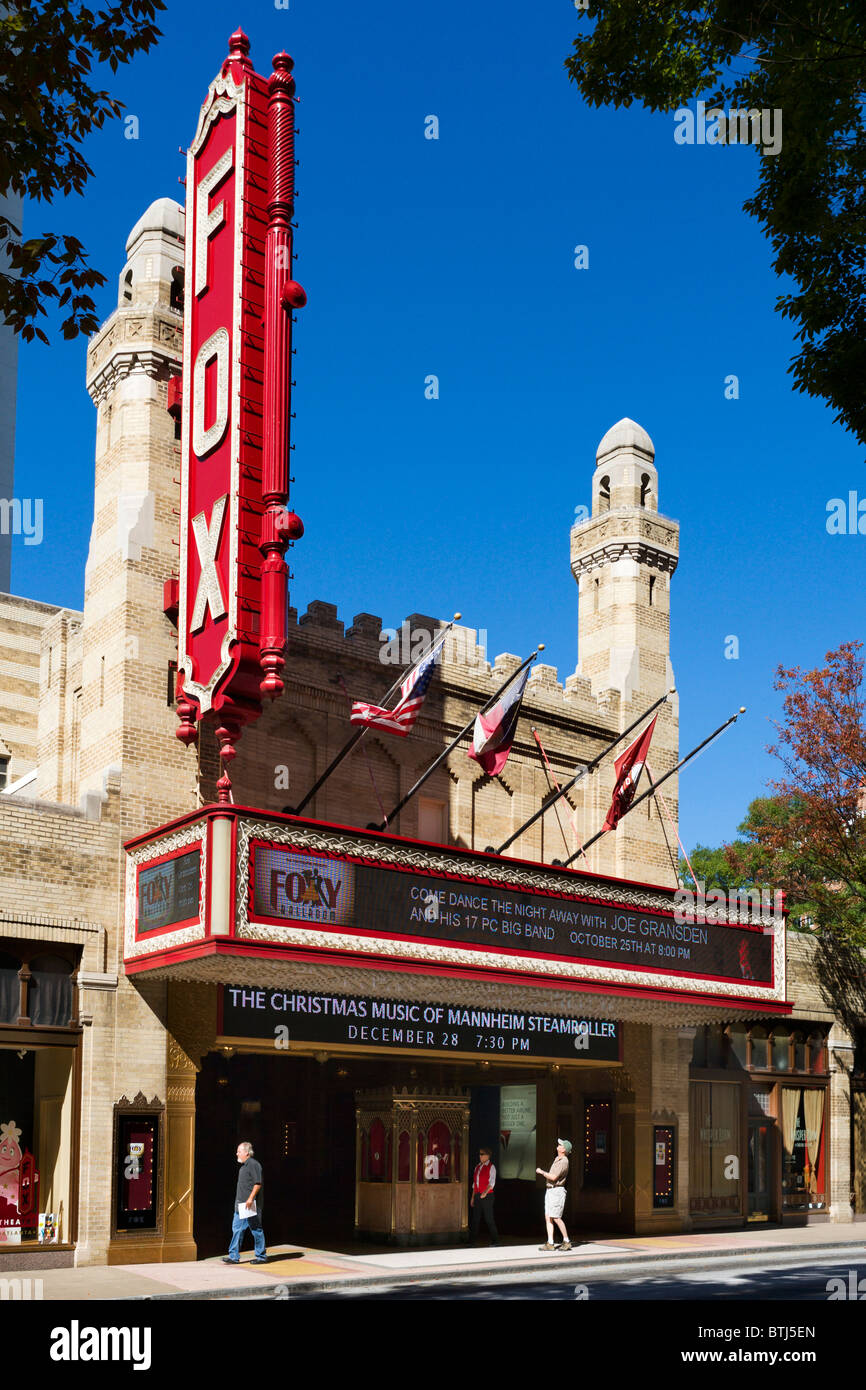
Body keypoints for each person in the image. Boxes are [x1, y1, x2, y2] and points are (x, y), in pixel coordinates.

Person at [223, 1140, 266, 1264]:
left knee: (256, 1230)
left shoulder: (253, 1164)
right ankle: (233, 1256)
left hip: (249, 1205)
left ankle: (261, 1256)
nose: (237, 1153)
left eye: (239, 1151)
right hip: (240, 1205)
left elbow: (258, 1184)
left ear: (246, 1152)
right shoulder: (244, 1166)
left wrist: (250, 1198)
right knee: (237, 1229)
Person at [536, 1139, 572, 1251]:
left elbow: (554, 1177)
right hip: (551, 1190)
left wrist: (541, 1172)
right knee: (548, 1217)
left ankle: (566, 1241)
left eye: (560, 1144)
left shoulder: (564, 1161)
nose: (558, 1145)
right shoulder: (558, 1159)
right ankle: (550, 1243)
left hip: (557, 1191)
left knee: (556, 1217)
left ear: (564, 1149)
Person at [469, 1146, 499, 1246]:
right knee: (475, 1219)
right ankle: (472, 1242)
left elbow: (492, 1183)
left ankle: (496, 1241)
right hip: (478, 1195)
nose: (480, 1156)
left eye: (482, 1154)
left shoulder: (491, 1167)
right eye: (480, 1154)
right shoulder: (477, 1167)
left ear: (488, 1156)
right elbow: (474, 1184)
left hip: (487, 1196)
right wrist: (473, 1197)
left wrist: (485, 1192)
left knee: (489, 1219)